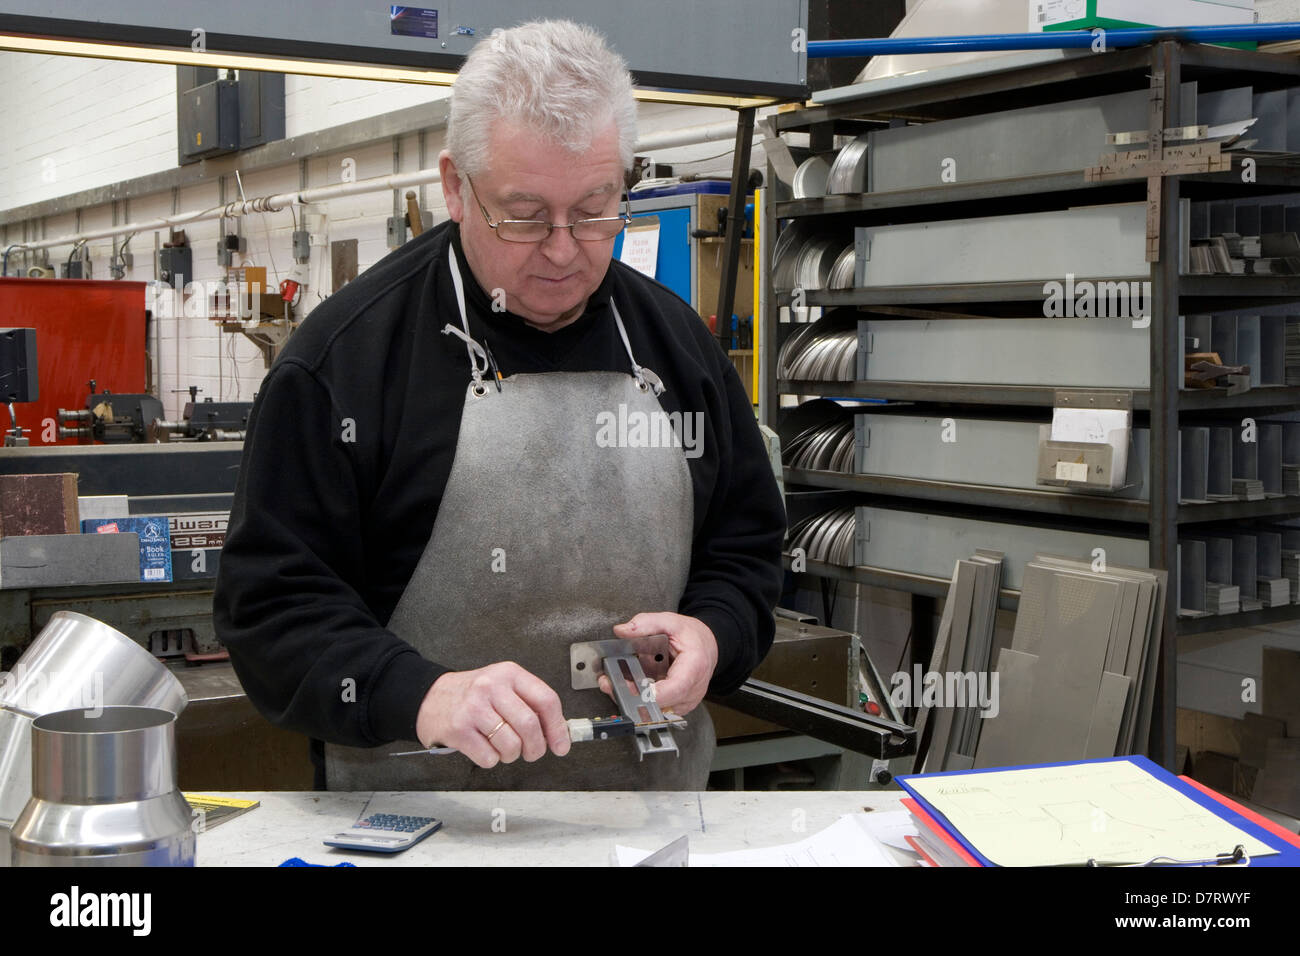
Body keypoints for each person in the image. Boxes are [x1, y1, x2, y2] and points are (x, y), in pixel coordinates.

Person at [212, 18, 785, 791]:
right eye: (523, 215)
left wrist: (716, 632)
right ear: (455, 187)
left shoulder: (678, 348)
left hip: (647, 824)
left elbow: (743, 551)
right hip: (417, 830)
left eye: (594, 210)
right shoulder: (344, 364)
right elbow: (271, 610)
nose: (560, 248)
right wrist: (420, 693)